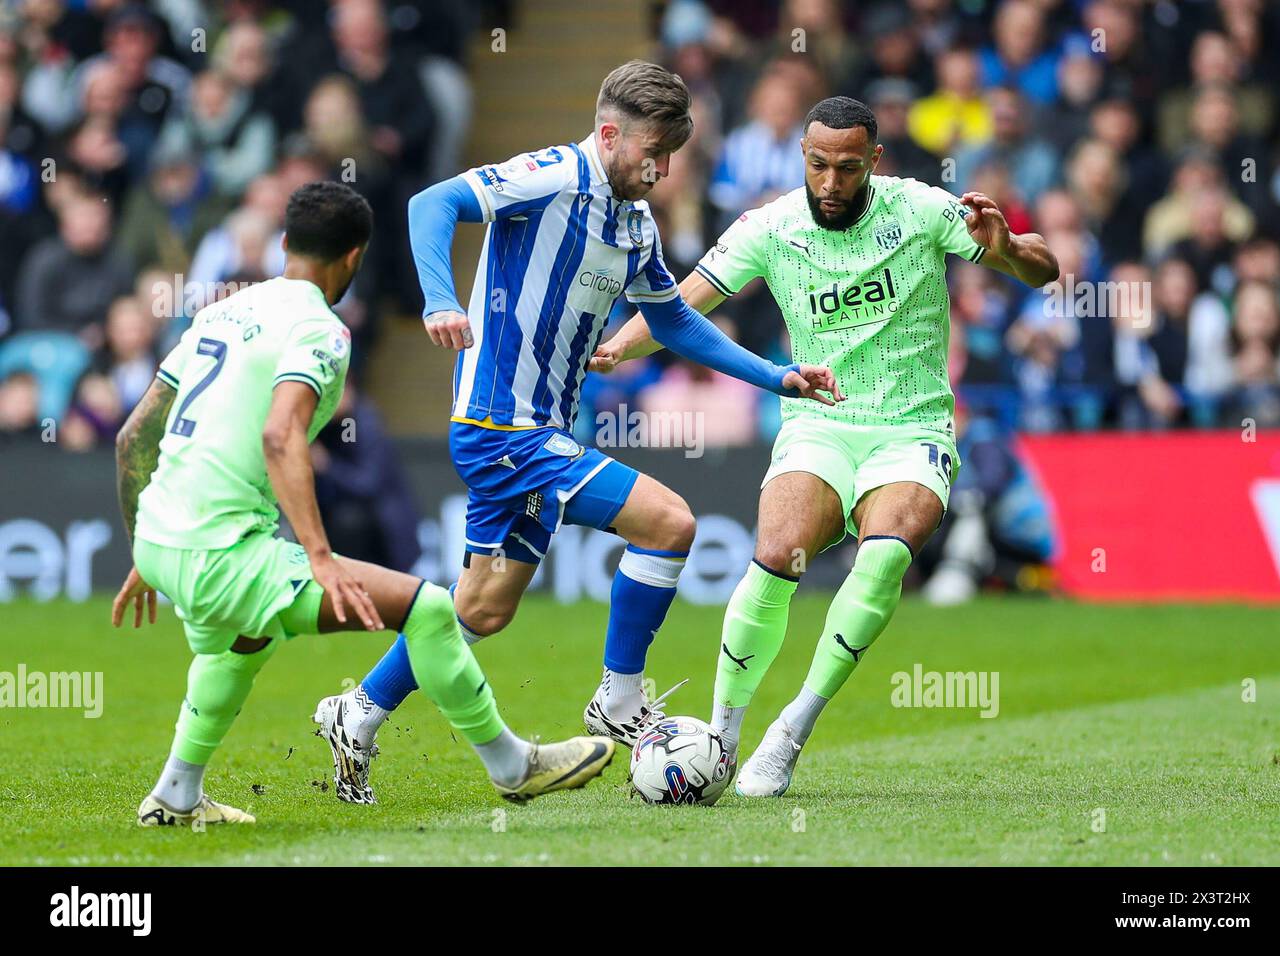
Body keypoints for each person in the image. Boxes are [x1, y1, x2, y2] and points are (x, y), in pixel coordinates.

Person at [314, 60, 841, 804]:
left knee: (480, 610)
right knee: (668, 523)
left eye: (671, 157)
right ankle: (619, 699)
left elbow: (671, 321)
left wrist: (776, 375)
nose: (661, 170)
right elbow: (432, 204)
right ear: (607, 134)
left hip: (535, 429)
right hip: (503, 425)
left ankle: (356, 712)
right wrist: (439, 299)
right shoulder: (551, 174)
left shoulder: (634, 224)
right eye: (651, 152)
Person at [593, 96, 1059, 797]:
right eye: (818, 166)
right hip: (819, 422)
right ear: (801, 159)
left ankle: (790, 733)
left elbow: (1044, 271)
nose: (832, 183)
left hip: (912, 427)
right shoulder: (769, 226)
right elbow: (680, 305)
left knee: (881, 561)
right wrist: (613, 349)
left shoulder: (919, 209)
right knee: (776, 554)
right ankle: (722, 737)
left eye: (847, 167)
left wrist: (1009, 248)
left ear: (873, 160)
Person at [111, 182, 616, 825]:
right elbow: (279, 434)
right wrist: (320, 558)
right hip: (221, 552)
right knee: (431, 609)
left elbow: (134, 435)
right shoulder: (322, 330)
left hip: (162, 539)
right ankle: (512, 764)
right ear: (354, 258)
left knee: (239, 642)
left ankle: (176, 796)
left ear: (286, 242)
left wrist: (146, 544)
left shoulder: (221, 312)